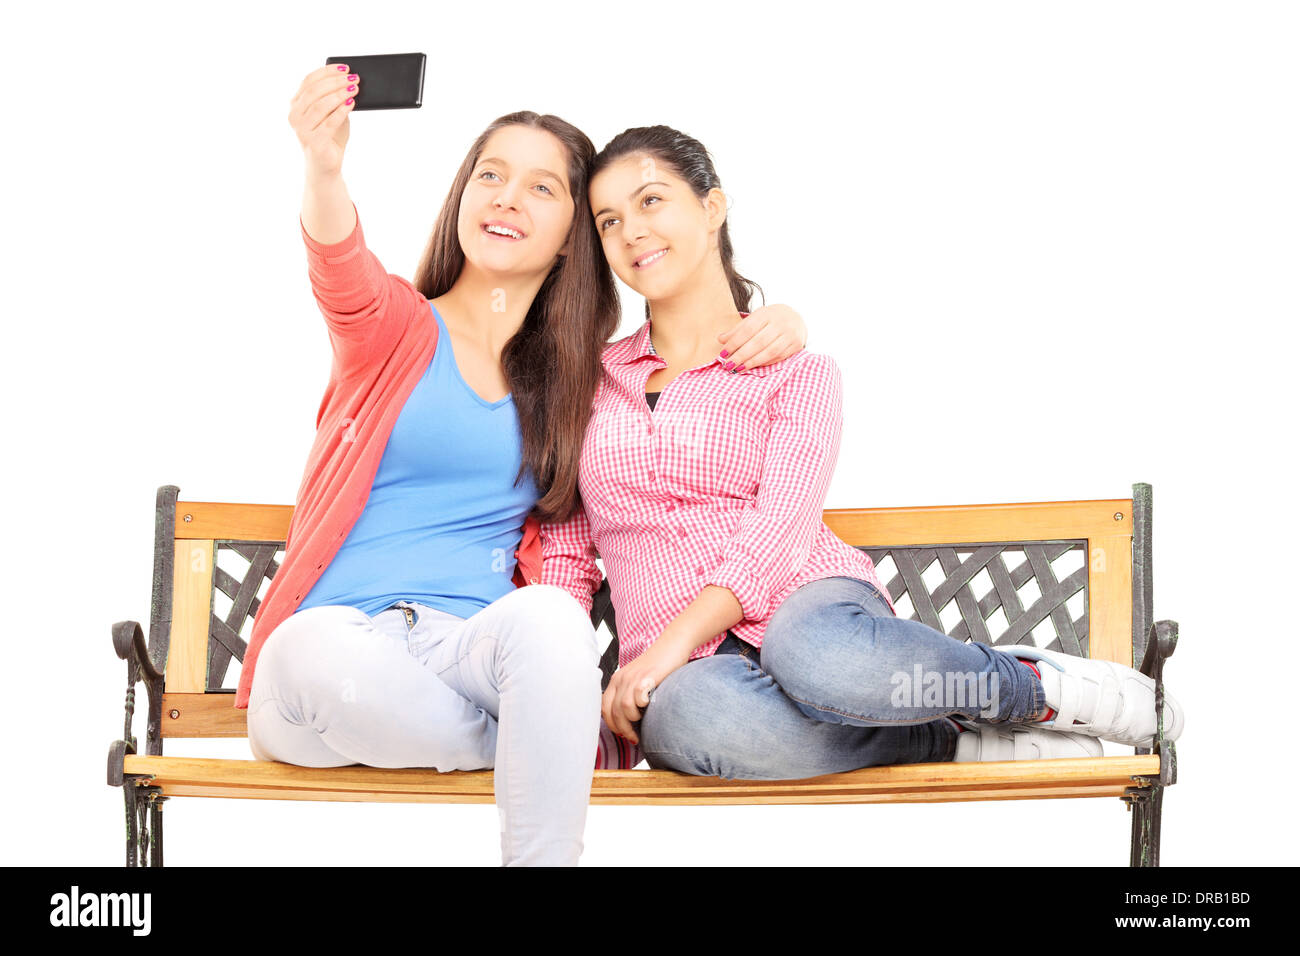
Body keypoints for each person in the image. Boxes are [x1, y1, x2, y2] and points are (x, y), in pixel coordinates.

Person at [233, 69, 809, 865]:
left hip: (469, 654)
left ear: (577, 232)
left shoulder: (582, 383)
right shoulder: (395, 329)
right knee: (308, 653)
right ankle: (536, 741)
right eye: (491, 175)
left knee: (551, 618)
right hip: (337, 662)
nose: (506, 197)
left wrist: (778, 319)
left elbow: (691, 360)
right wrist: (324, 167)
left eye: (542, 188)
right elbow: (339, 267)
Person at [540, 125, 1185, 780]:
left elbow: (777, 536)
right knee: (693, 723)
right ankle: (946, 740)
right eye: (609, 219)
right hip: (687, 675)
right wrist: (567, 694)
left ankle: (1038, 689)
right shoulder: (585, 387)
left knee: (823, 660)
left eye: (651, 201)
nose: (631, 232)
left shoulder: (799, 370)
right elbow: (565, 553)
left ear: (711, 208)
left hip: (804, 605)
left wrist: (666, 647)